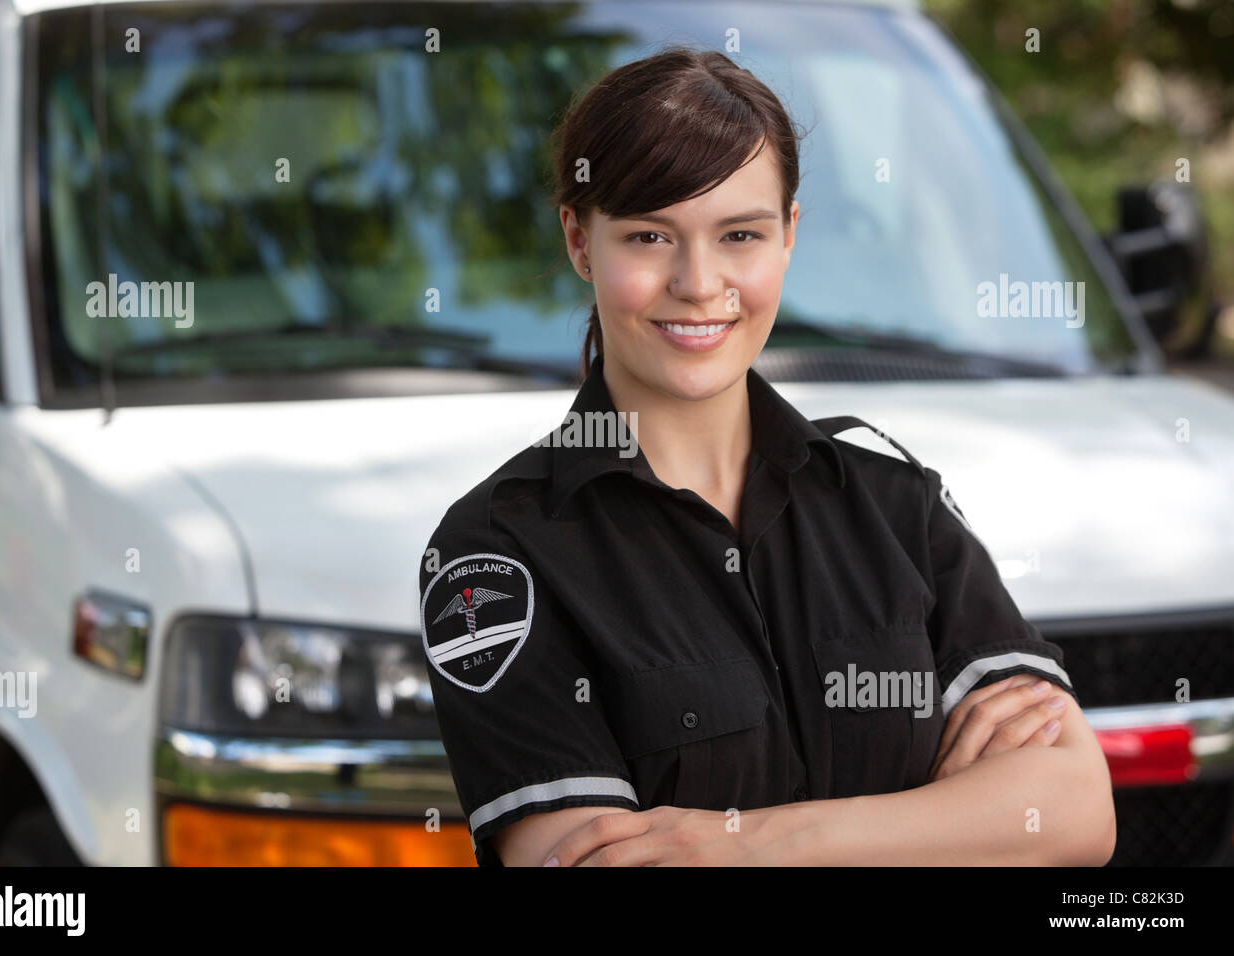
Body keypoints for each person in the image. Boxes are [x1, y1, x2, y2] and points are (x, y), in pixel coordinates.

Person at [417, 45, 1115, 867]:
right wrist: (944, 824)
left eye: (739, 234)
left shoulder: (895, 503)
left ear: (788, 235)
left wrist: (743, 844)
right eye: (650, 236)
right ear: (579, 241)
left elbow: (1074, 814)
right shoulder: (493, 554)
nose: (699, 281)